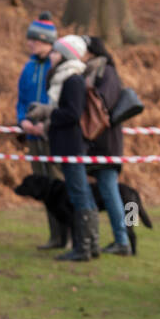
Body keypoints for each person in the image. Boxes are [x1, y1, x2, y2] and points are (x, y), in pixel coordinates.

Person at [21, 34, 98, 263]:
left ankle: (83, 247)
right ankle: (90, 244)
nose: (51, 55)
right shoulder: (65, 78)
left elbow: (72, 113)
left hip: (71, 146)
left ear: (64, 56)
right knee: (80, 193)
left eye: (55, 52)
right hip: (66, 145)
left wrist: (48, 113)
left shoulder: (72, 79)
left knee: (79, 194)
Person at [17, 15, 66, 249]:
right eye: (30, 40)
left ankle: (70, 236)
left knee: (60, 186)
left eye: (35, 40)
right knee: (44, 190)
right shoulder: (28, 67)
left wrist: (45, 124)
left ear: (47, 42)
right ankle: (54, 236)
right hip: (32, 136)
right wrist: (23, 121)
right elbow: (22, 100)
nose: (31, 44)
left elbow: (59, 102)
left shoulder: (56, 67)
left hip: (52, 135)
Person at [83, 36, 130, 255]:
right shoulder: (96, 71)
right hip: (96, 143)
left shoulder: (107, 73)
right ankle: (119, 239)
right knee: (108, 192)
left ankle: (123, 240)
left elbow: (103, 104)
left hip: (106, 144)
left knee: (111, 193)